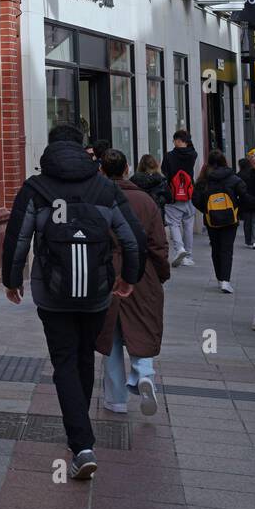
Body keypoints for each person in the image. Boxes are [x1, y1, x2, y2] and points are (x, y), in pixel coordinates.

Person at [2, 123, 144, 481]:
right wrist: (130, 277)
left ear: (50, 149)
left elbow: (18, 237)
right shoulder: (105, 187)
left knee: (64, 359)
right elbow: (133, 239)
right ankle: (80, 435)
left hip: (52, 294)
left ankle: (81, 443)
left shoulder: (36, 188)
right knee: (82, 356)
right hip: (96, 291)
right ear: (83, 149)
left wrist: (12, 280)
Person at [96, 150, 169, 417]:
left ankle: (116, 399)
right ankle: (144, 373)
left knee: (111, 335)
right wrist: (160, 273)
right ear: (127, 168)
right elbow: (158, 244)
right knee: (142, 325)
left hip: (108, 270)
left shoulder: (99, 199)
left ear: (102, 170)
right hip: (142, 269)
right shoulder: (146, 201)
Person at [191, 149, 253, 294]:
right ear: (225, 162)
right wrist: (236, 209)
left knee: (216, 248)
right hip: (230, 220)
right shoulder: (233, 178)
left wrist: (207, 210)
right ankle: (226, 281)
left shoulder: (204, 179)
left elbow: (195, 199)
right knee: (226, 249)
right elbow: (245, 196)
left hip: (211, 220)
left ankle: (220, 278)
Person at [161, 130, 198, 267]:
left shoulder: (169, 156)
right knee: (188, 225)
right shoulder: (193, 155)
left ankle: (179, 249)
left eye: (174, 140)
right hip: (189, 194)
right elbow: (192, 149)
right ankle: (188, 255)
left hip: (174, 195)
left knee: (173, 224)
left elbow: (165, 172)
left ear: (177, 140)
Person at [237, 149, 255, 248]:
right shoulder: (250, 173)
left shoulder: (247, 174)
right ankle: (252, 240)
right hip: (250, 200)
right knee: (252, 222)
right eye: (252, 159)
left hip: (252, 201)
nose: (254, 162)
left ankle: (251, 240)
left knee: (251, 222)